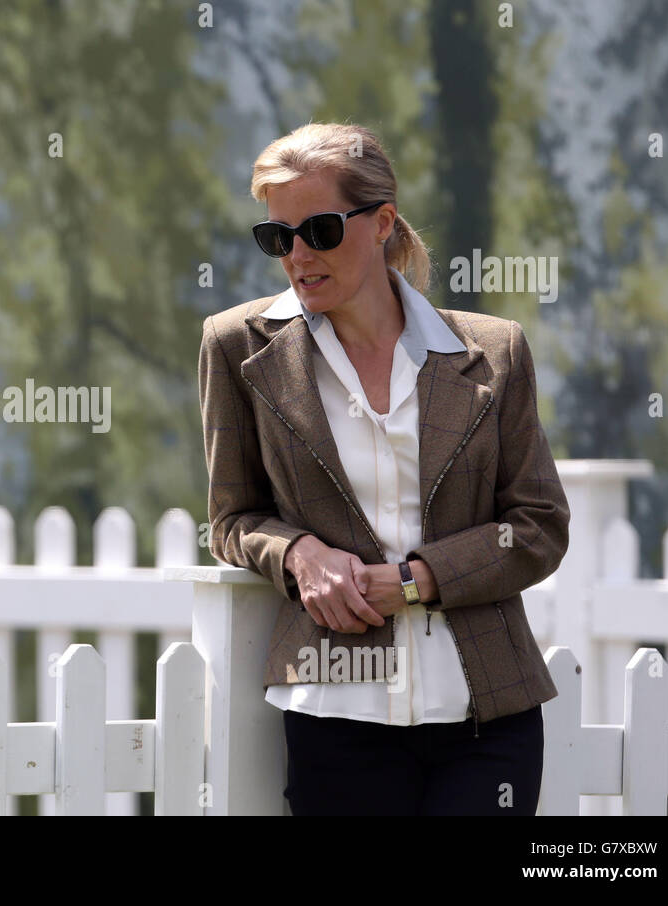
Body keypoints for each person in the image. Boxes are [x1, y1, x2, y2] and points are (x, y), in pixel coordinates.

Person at [198, 122, 570, 815]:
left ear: (382, 223)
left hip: (486, 717)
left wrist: (419, 580)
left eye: (319, 231)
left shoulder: (495, 351)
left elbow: (539, 526)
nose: (298, 255)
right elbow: (232, 518)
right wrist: (298, 554)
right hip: (336, 711)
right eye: (278, 237)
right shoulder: (235, 348)